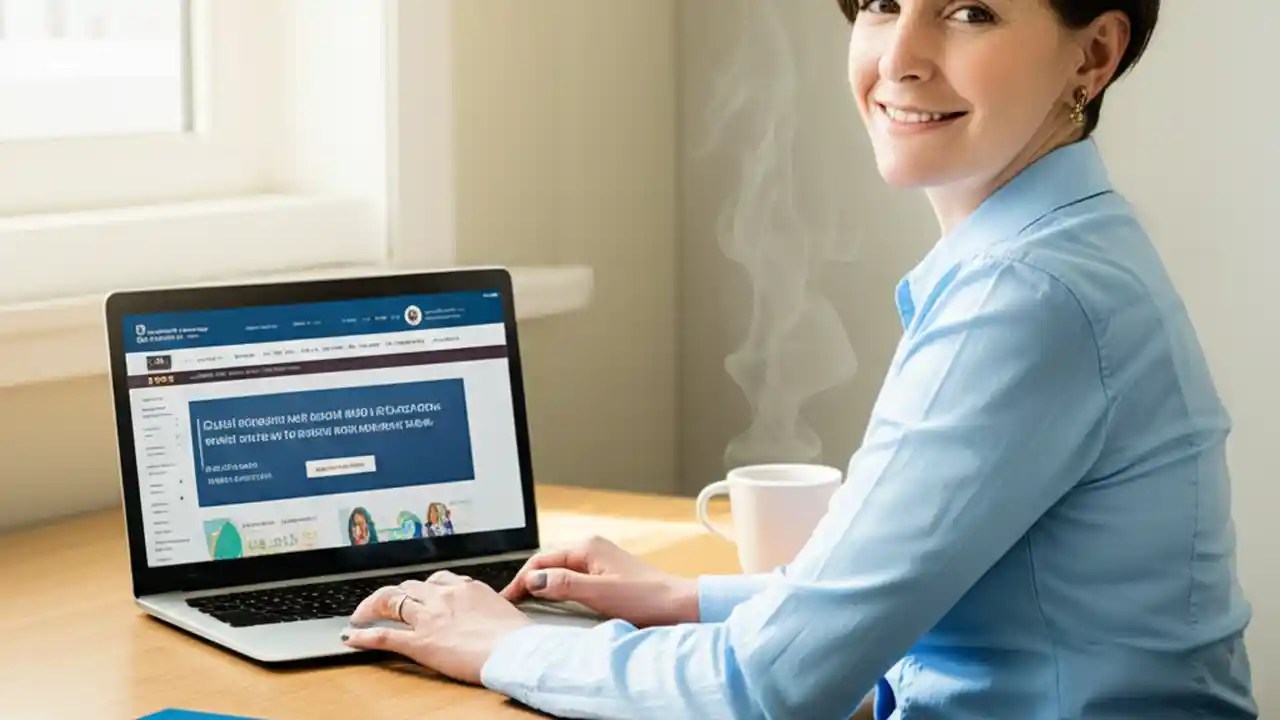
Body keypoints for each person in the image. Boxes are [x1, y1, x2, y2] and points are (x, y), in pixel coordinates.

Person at [342, 1, 1258, 716]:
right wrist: (684, 596)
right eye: (882, 1)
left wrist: (500, 644)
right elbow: (921, 585)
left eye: (971, 11)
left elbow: (767, 690)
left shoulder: (1025, 298)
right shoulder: (1066, 250)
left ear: (1093, 55)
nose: (899, 56)